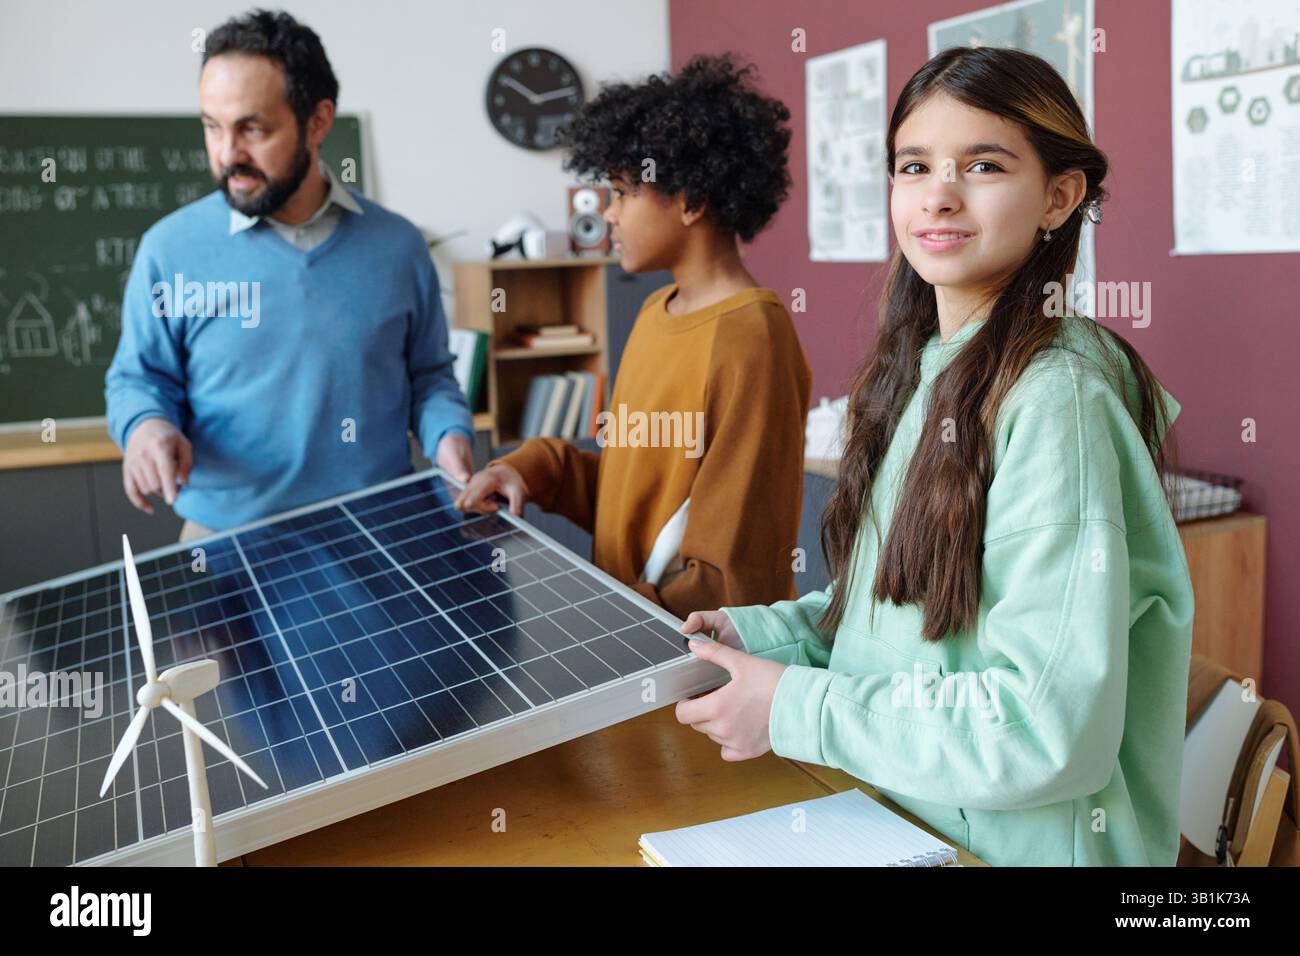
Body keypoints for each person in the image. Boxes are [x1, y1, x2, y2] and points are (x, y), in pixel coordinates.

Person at [676, 46, 1195, 867]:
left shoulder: (1056, 402)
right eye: (914, 166)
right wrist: (761, 636)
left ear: (1060, 197)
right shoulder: (925, 369)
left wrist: (796, 708)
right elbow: (896, 620)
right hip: (897, 825)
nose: (939, 195)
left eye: (984, 165)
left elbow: (1043, 732)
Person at [455, 54, 810, 619]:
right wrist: (528, 468)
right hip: (636, 636)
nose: (609, 214)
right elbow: (631, 493)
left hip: (688, 657)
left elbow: (734, 576)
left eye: (622, 192)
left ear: (692, 200)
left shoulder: (752, 341)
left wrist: (608, 619)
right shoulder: (653, 311)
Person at [105, 9, 472, 541]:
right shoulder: (169, 249)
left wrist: (449, 436)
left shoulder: (399, 247)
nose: (227, 154)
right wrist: (146, 425)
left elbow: (430, 376)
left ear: (318, 122)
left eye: (252, 129)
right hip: (226, 539)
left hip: (380, 531)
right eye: (212, 127)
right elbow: (139, 379)